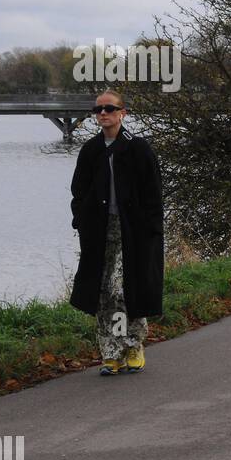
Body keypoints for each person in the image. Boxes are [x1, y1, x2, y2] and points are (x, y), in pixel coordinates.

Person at [68, 89, 164, 375]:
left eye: (110, 109)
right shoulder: (91, 151)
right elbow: (78, 191)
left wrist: (150, 228)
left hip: (133, 232)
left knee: (123, 288)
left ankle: (133, 345)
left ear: (123, 113)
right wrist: (80, 219)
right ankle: (110, 353)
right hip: (99, 232)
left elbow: (153, 193)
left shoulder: (139, 149)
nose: (103, 114)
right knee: (102, 293)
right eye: (98, 110)